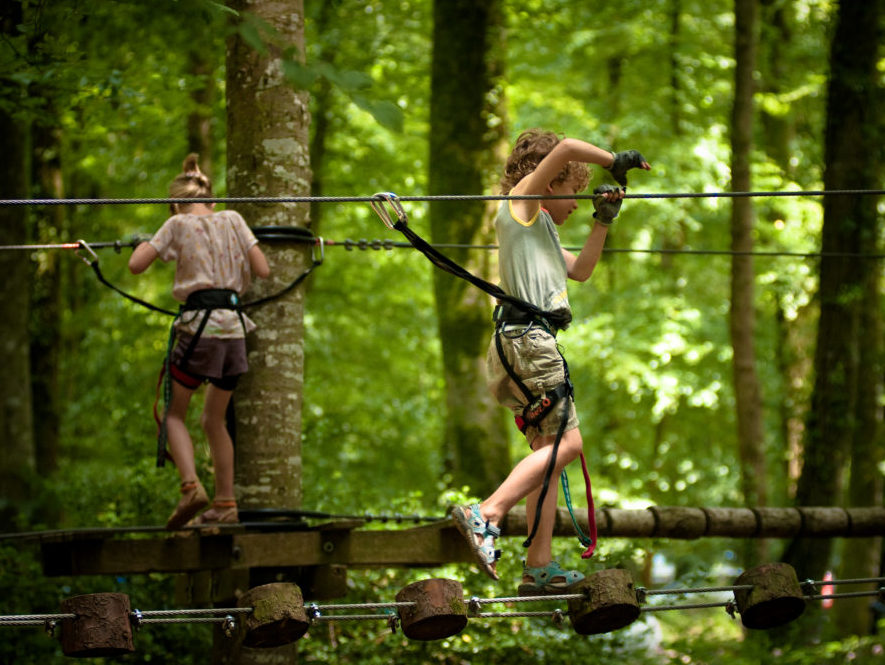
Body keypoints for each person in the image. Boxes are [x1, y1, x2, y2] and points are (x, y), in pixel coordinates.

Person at [451, 129, 650, 594]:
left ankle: (539, 565)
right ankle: (487, 513)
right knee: (570, 444)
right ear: (549, 181)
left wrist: (604, 221)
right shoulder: (520, 208)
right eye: (574, 191)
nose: (578, 203)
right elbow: (567, 148)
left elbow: (580, 270)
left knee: (549, 455)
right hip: (529, 343)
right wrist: (614, 160)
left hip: (520, 344)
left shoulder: (539, 230)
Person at [129, 154, 270, 530]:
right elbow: (263, 269)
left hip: (199, 332)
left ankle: (191, 487)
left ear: (176, 203)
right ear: (211, 199)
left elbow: (136, 265)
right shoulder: (233, 219)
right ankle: (226, 503)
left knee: (174, 414)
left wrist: (148, 241)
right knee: (213, 420)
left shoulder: (177, 223)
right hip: (235, 333)